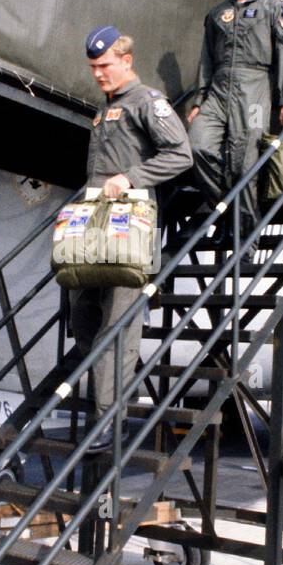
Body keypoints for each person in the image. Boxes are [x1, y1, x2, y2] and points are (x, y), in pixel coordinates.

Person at [75, 27, 193, 451]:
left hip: (131, 228)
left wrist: (131, 178)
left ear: (126, 61)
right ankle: (119, 395)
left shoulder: (147, 102)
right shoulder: (104, 110)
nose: (98, 75)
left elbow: (181, 154)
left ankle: (111, 420)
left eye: (104, 66)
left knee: (116, 328)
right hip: (96, 228)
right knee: (84, 317)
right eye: (93, 68)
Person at [183, 0, 283, 249]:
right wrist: (199, 99)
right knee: (198, 146)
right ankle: (226, 215)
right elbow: (206, 59)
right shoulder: (217, 14)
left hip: (254, 88)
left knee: (243, 161)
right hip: (219, 91)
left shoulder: (275, 8)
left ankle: (246, 238)